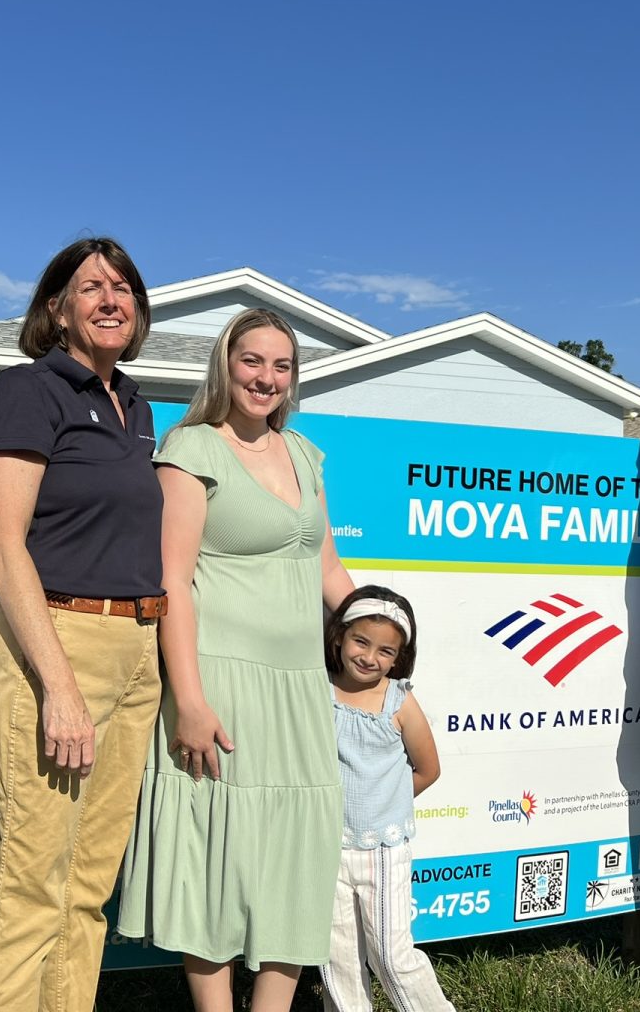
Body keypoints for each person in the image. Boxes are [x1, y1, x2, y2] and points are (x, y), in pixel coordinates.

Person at [118, 307, 354, 1012]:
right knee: (214, 854)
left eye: (281, 366)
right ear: (226, 364)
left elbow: (329, 571)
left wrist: (384, 627)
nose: (267, 378)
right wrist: (188, 699)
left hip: (301, 689)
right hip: (219, 681)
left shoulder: (306, 455)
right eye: (253, 361)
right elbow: (172, 582)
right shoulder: (191, 447)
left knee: (296, 854)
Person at [0, 238, 164, 1012]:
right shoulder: (30, 390)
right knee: (30, 888)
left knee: (85, 892)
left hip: (136, 650)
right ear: (57, 310)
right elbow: (4, 545)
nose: (110, 298)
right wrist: (59, 687)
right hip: (58, 642)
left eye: (123, 287)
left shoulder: (135, 405)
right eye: (90, 287)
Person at [318, 586, 454, 1012]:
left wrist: (383, 806)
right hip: (324, 848)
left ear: (399, 659)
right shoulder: (315, 691)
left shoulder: (399, 701)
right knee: (337, 960)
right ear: (339, 636)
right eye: (361, 641)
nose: (369, 657)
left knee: (392, 957)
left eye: (385, 651)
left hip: (382, 851)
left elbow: (427, 769)